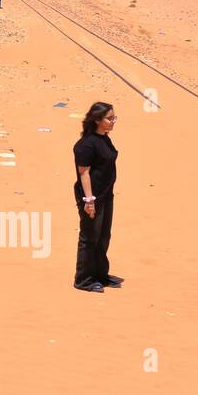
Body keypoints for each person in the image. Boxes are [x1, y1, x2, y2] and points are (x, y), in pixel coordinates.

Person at [73, 102, 121, 292]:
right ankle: (83, 279)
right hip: (92, 197)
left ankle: (100, 274)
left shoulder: (105, 139)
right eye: (110, 118)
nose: (113, 121)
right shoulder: (86, 145)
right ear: (97, 120)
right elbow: (84, 173)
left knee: (103, 236)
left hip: (106, 195)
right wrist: (89, 200)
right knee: (89, 236)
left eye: (114, 118)